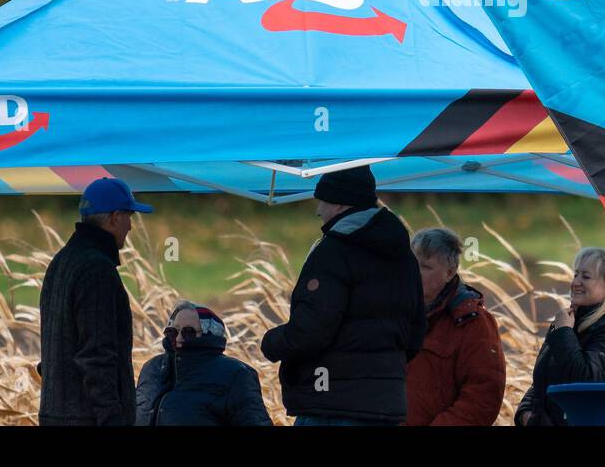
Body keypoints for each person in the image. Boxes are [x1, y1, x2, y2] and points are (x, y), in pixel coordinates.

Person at [260, 165, 426, 425]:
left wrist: (272, 342)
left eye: (322, 202)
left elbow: (311, 330)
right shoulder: (404, 257)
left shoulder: (333, 252)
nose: (318, 211)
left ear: (338, 204)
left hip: (330, 406)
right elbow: (416, 333)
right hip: (386, 406)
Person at [38, 176, 153, 425]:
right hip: (87, 418)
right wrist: (112, 418)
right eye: (129, 217)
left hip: (54, 414)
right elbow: (96, 355)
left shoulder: (60, 262)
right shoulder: (97, 269)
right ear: (114, 218)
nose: (131, 227)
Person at [514, 247, 605, 426]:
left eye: (586, 277)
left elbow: (588, 382)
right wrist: (526, 414)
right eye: (576, 275)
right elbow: (544, 378)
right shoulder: (570, 323)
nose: (575, 283)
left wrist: (564, 334)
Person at [405, 228, 506, 425]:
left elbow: (483, 397)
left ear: (449, 273)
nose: (413, 272)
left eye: (425, 267)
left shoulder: (473, 324)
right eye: (411, 263)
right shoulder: (387, 312)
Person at [135, 301, 272, 426]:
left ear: (208, 335)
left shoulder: (235, 373)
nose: (179, 337)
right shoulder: (152, 369)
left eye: (189, 332)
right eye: (173, 331)